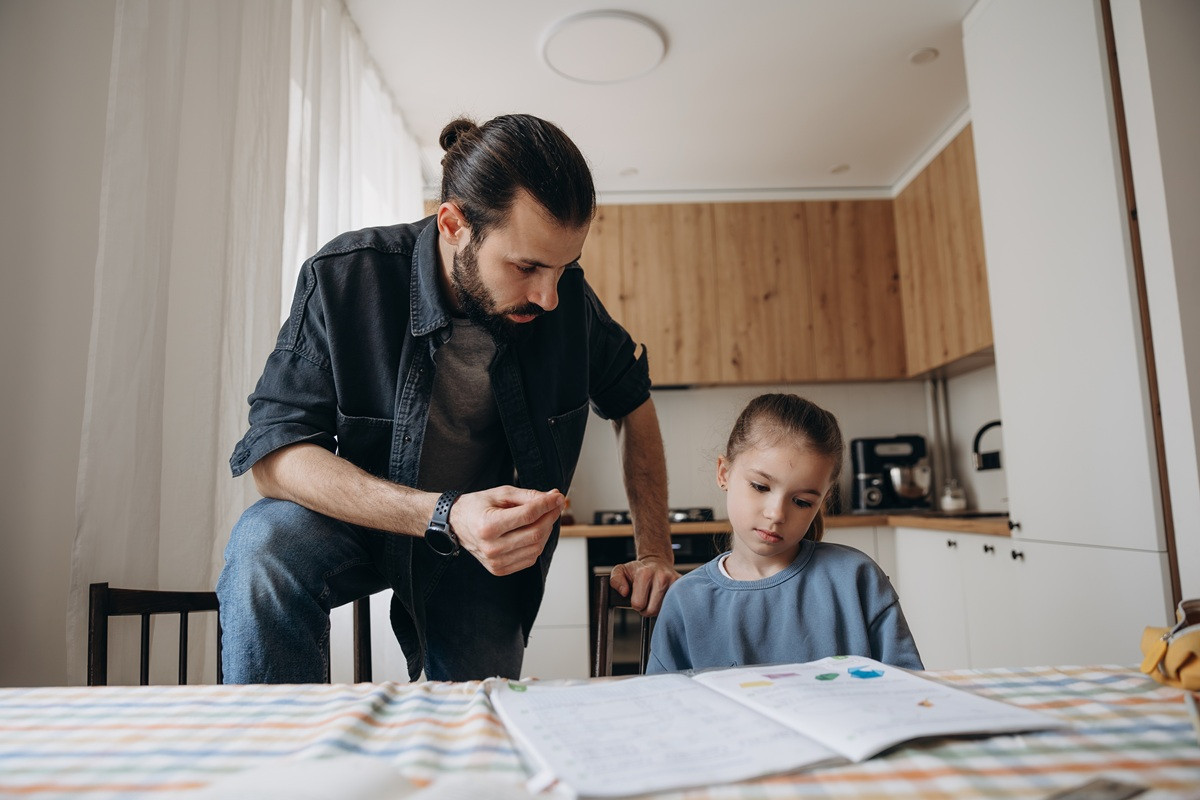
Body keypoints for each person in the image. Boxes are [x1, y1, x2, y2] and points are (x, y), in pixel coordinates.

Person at [217, 113, 678, 684]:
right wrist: (442, 514)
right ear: (454, 224)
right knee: (263, 544)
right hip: (362, 520)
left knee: (476, 727)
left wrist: (655, 548)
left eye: (564, 268)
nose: (549, 296)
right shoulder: (345, 276)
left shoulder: (566, 305)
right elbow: (275, 459)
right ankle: (277, 759)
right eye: (526, 266)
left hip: (481, 551)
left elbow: (633, 402)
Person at [647, 393, 922, 674]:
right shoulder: (685, 601)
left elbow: (911, 691)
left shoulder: (857, 579)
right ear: (724, 473)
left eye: (802, 502)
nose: (777, 514)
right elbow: (663, 708)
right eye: (760, 486)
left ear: (822, 502)